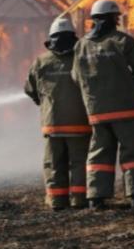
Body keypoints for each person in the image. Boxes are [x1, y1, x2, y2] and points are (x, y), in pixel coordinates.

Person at [72, 0, 134, 210]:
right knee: (133, 151)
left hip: (97, 111)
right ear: (113, 19)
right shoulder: (122, 41)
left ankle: (96, 198)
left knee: (99, 153)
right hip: (125, 109)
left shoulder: (81, 46)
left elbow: (75, 76)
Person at [24, 16, 91, 211]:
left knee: (54, 164)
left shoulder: (41, 62)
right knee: (79, 163)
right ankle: (80, 200)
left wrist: (44, 104)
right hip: (80, 123)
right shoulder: (82, 59)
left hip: (52, 125)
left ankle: (57, 201)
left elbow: (30, 89)